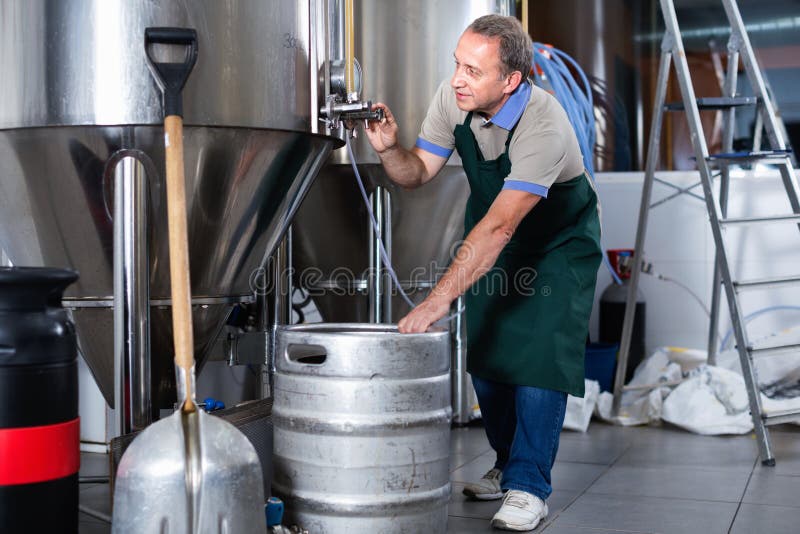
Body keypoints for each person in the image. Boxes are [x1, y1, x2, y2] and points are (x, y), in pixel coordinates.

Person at [363, 14, 602, 532]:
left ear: (510, 80)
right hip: (495, 240)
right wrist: (388, 150)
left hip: (556, 245)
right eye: (457, 63)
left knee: (539, 360)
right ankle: (505, 463)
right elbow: (417, 172)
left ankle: (529, 487)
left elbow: (499, 226)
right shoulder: (456, 100)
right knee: (489, 359)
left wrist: (436, 300)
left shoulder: (543, 125)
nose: (457, 79)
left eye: (472, 70)